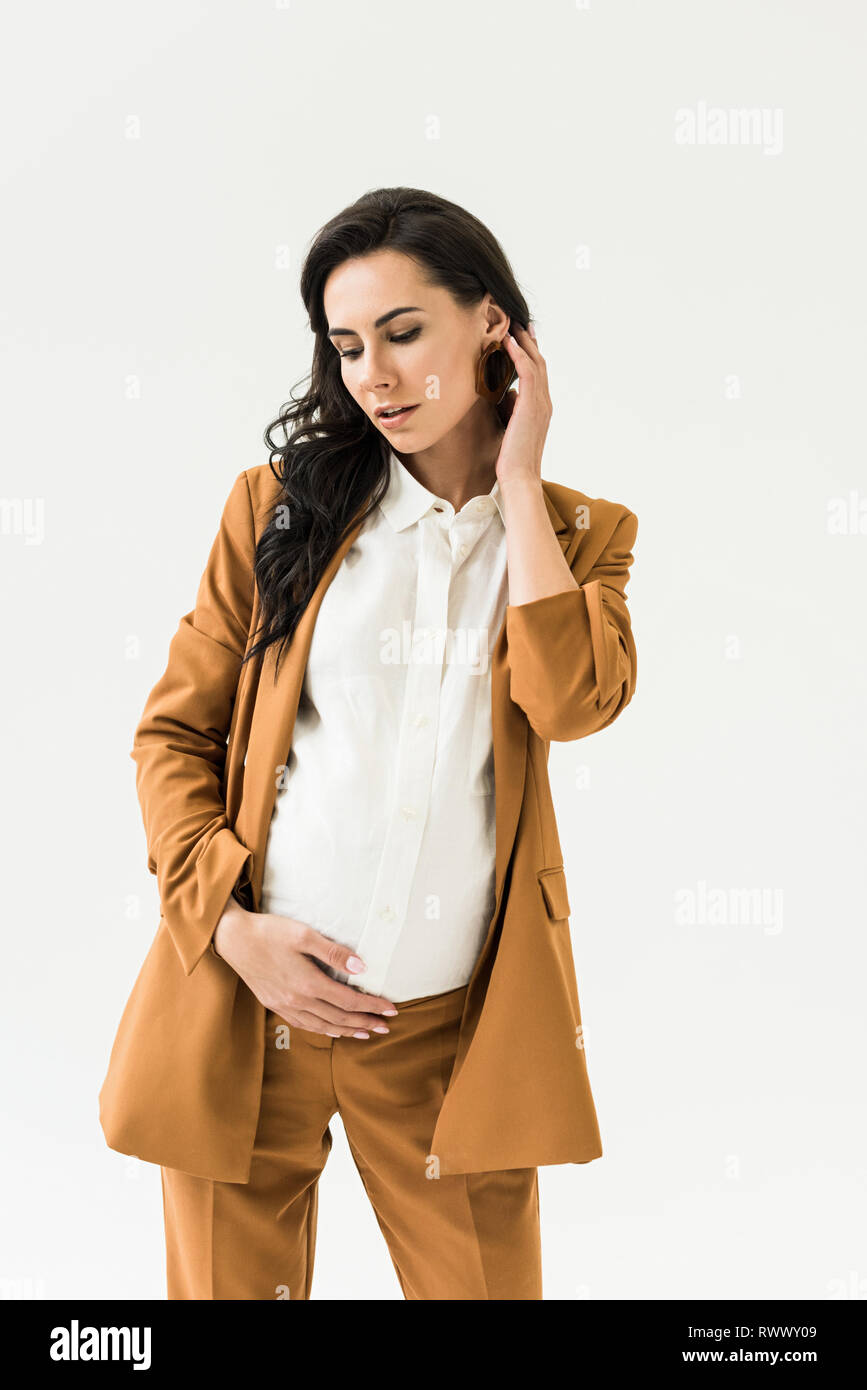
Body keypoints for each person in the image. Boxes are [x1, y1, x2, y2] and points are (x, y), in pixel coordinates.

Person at [99, 185, 639, 1300]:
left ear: (494, 329)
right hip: (248, 1015)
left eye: (402, 334)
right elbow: (173, 735)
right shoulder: (276, 510)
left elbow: (574, 701)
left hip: (447, 1040)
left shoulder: (580, 538)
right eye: (347, 347)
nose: (374, 376)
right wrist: (230, 926)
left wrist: (521, 484)